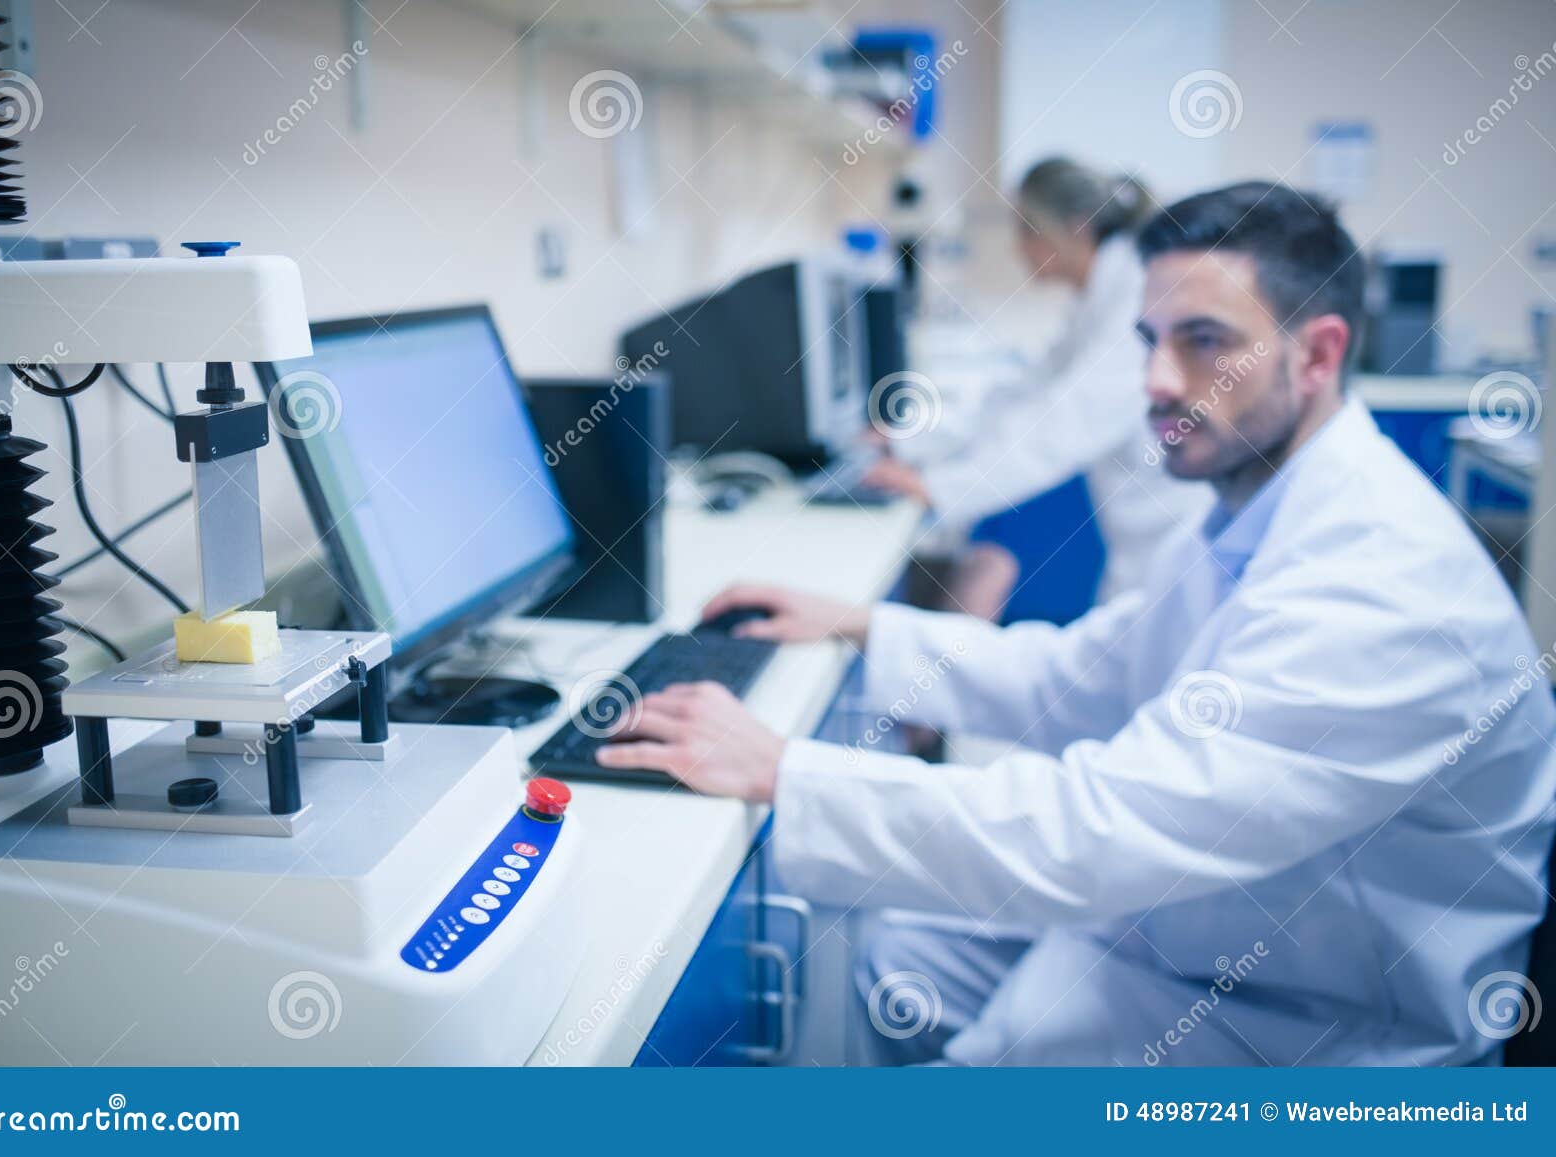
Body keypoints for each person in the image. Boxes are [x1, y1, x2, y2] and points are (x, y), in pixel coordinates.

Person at [598, 183, 1556, 1066]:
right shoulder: (1265, 505)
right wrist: (866, 628)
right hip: (1208, 933)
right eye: (1148, 339)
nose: (1156, 379)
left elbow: (1104, 832)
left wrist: (784, 769)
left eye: (1205, 341)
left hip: (1315, 1027)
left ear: (1318, 354)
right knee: (894, 957)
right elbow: (1094, 670)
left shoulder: (1379, 586)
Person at [864, 157, 1209, 615]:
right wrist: (912, 445)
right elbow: (1026, 394)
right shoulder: (1098, 297)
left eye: (1028, 228)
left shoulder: (1135, 293)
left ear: (1077, 228)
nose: (1018, 247)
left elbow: (1068, 422)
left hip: (1164, 535)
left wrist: (942, 487)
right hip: (1134, 533)